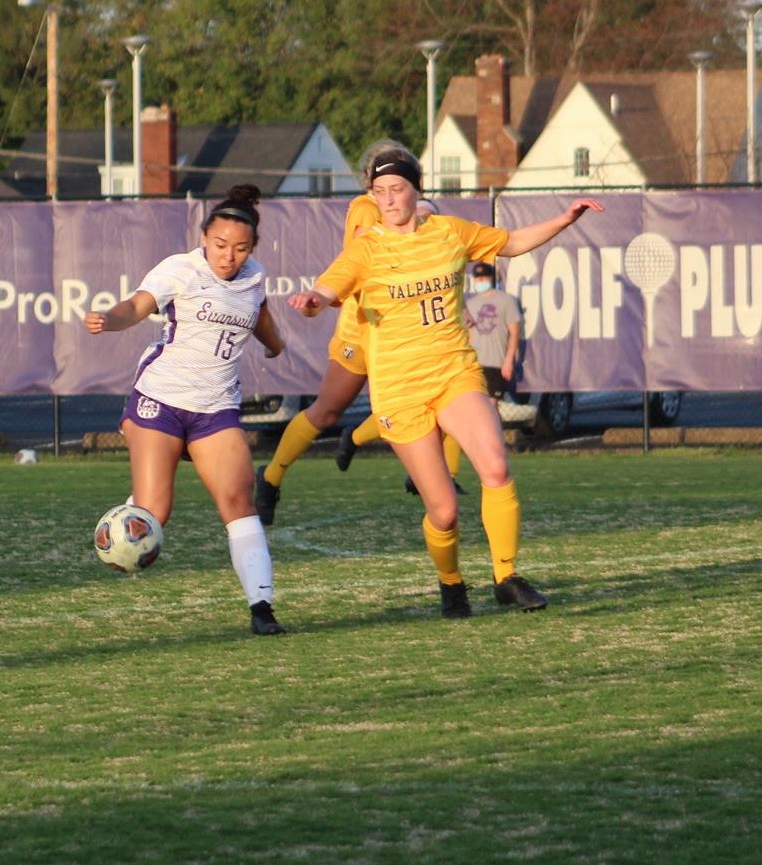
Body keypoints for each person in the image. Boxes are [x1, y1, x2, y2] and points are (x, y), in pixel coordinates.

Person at [288, 146, 601, 619]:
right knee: (445, 512)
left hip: (454, 372)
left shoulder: (449, 232)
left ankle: (506, 576)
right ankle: (451, 582)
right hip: (400, 390)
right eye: (379, 191)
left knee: (495, 468)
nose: (389, 200)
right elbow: (326, 291)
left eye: (397, 189)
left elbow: (512, 242)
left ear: (416, 189)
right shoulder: (367, 248)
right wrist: (311, 301)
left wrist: (565, 219)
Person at [85, 184, 289, 636]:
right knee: (156, 510)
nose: (228, 256)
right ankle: (120, 527)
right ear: (203, 239)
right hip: (160, 400)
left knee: (239, 502)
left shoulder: (254, 277)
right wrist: (109, 319)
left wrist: (276, 345)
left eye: (239, 248)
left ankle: (262, 608)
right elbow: (138, 305)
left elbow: (259, 314)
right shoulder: (181, 269)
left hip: (215, 409)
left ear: (252, 248)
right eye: (219, 245)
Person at [254, 141, 459, 526]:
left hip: (405, 331)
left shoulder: (416, 210)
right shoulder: (369, 207)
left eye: (399, 171)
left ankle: (433, 477)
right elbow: (365, 248)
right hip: (365, 329)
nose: (391, 181)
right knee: (326, 410)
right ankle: (270, 477)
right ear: (371, 178)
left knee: (440, 399)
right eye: (384, 171)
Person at [463, 261, 523, 408]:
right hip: (477, 362)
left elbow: (514, 332)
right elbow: (470, 333)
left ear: (491, 278)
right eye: (478, 278)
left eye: (483, 278)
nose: (480, 281)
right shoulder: (471, 303)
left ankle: (495, 431)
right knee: (477, 407)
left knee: (491, 406)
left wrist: (508, 361)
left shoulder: (506, 301)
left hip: (497, 362)